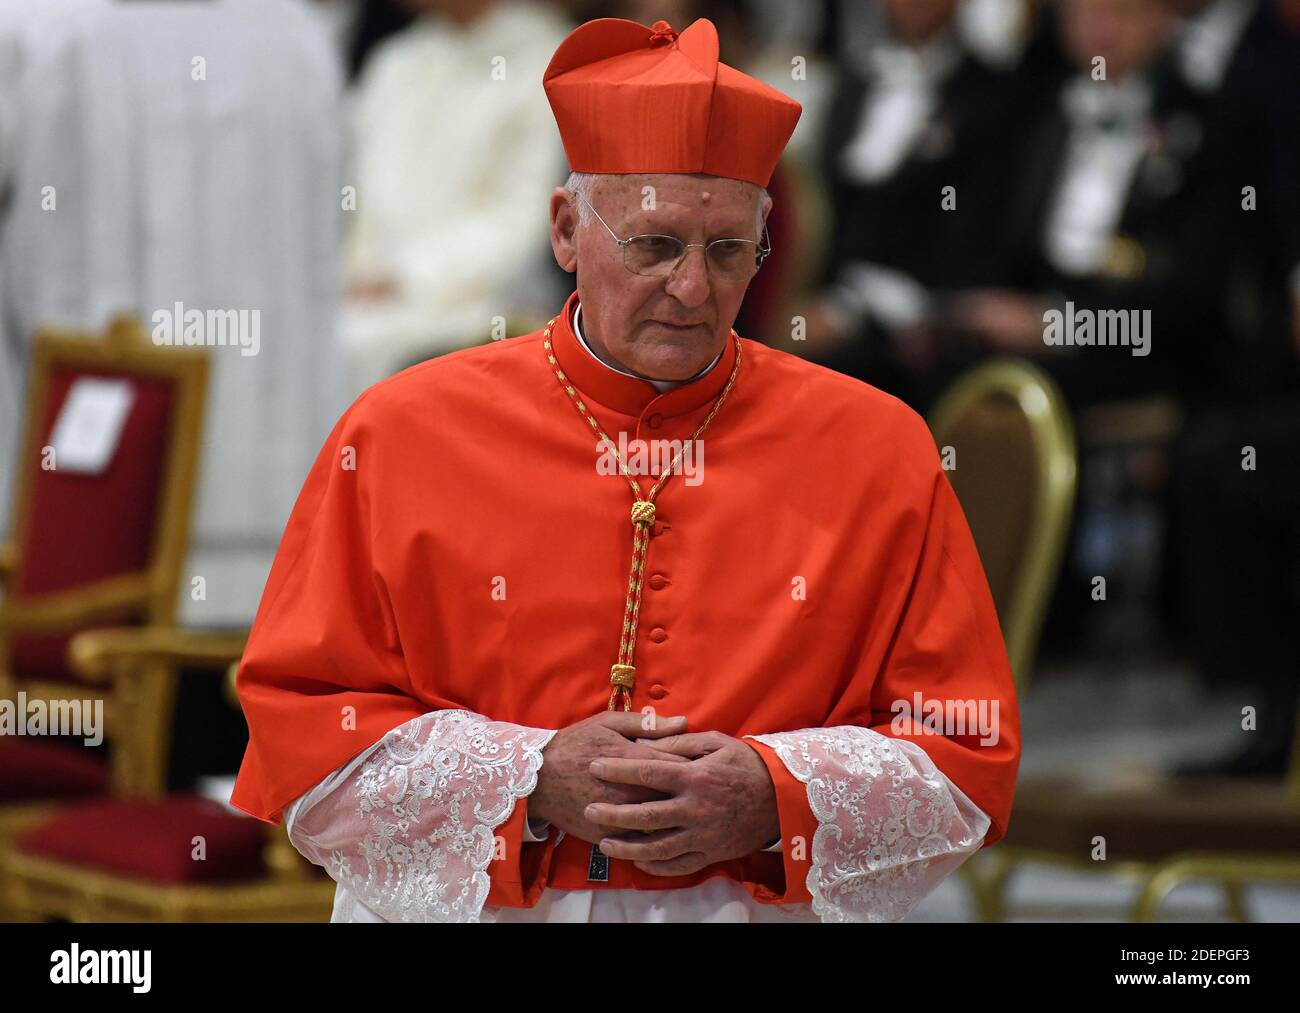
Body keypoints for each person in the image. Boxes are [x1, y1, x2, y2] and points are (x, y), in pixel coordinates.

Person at [231, 16, 1020, 923]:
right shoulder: (401, 431)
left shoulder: (877, 447)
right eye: (655, 245)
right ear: (567, 230)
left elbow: (965, 747)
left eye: (727, 250)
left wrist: (776, 792)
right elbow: (300, 727)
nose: (693, 288)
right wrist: (527, 777)